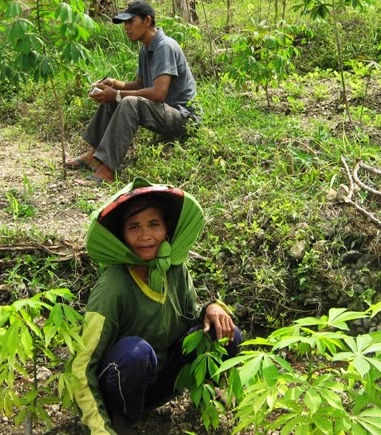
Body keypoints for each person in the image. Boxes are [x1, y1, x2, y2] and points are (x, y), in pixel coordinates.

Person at [72, 178, 241, 434]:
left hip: (165, 380)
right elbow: (83, 365)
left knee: (226, 331)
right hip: (125, 383)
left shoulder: (174, 268)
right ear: (121, 236)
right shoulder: (112, 286)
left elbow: (189, 320)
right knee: (135, 352)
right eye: (134, 227)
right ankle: (123, 419)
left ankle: (209, 390)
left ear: (167, 228)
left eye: (154, 225)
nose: (145, 236)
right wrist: (98, 428)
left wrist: (210, 308)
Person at [66, 0, 199, 185]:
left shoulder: (164, 47)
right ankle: (93, 156)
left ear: (147, 21)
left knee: (128, 101)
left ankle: (107, 170)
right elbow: (139, 84)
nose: (126, 27)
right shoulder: (146, 48)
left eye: (130, 22)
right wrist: (114, 84)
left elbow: (159, 93)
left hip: (184, 117)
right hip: (164, 111)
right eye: (125, 23)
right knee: (114, 96)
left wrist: (118, 94)